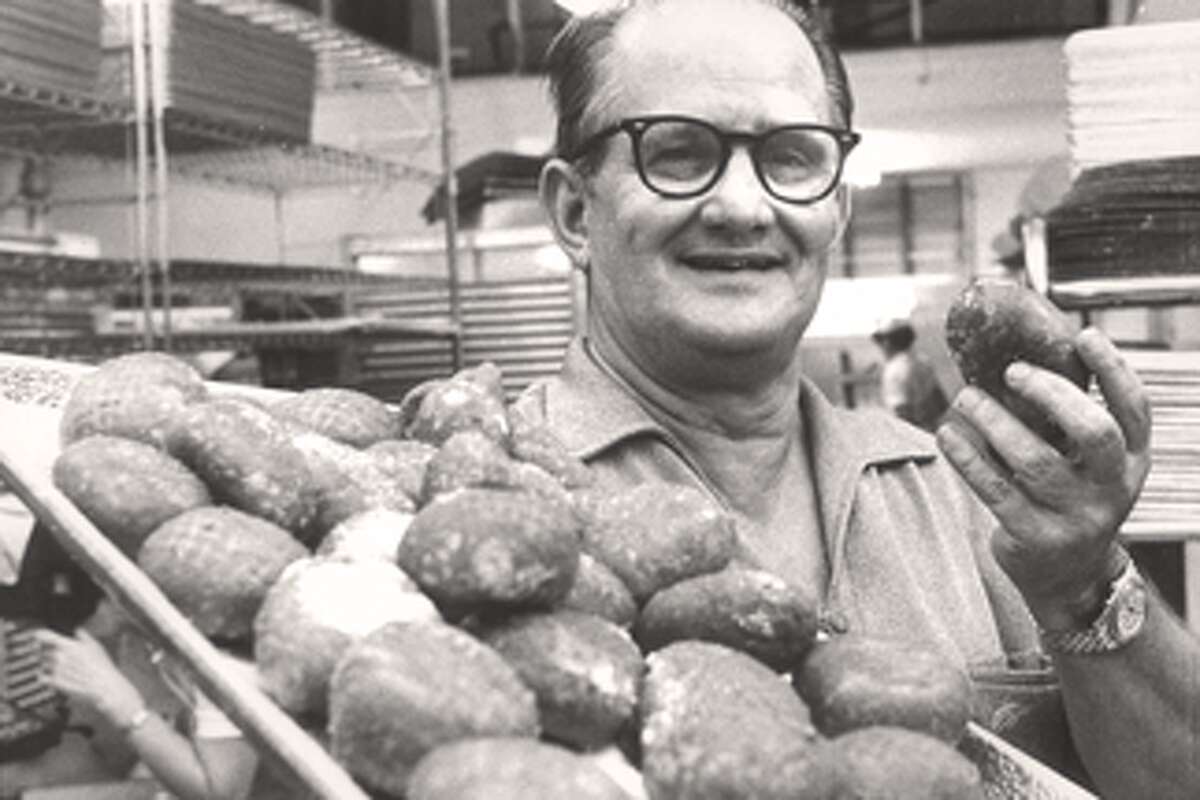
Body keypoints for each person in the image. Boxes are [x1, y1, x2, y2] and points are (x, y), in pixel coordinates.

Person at [517, 1, 1200, 797]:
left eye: (793, 158)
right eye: (676, 152)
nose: (743, 206)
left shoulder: (969, 497)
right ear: (573, 211)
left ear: (836, 207)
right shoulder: (490, 506)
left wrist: (1083, 585)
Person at [871, 316, 949, 432]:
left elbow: (900, 412)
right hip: (933, 432)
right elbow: (941, 404)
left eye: (880, 341)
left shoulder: (894, 370)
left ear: (888, 342)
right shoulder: (923, 363)